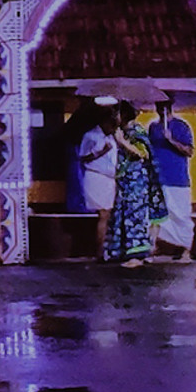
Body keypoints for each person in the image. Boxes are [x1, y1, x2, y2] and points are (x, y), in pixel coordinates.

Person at [104, 101, 163, 267]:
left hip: (136, 182)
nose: (115, 116)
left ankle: (137, 255)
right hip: (125, 181)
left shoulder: (136, 131)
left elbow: (143, 153)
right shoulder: (123, 132)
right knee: (123, 215)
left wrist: (122, 142)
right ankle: (123, 251)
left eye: (117, 113)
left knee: (134, 216)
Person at [147, 94, 195, 258]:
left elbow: (189, 151)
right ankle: (152, 247)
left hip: (176, 178)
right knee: (156, 215)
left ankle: (186, 249)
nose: (161, 108)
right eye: (158, 105)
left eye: (164, 105)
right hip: (157, 177)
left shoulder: (181, 126)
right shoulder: (153, 127)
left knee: (181, 214)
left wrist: (171, 140)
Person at [69, 107, 117, 254]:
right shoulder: (91, 136)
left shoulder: (111, 137)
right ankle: (100, 250)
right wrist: (100, 152)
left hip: (109, 178)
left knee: (108, 214)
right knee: (103, 214)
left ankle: (107, 248)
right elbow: (83, 157)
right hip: (96, 177)